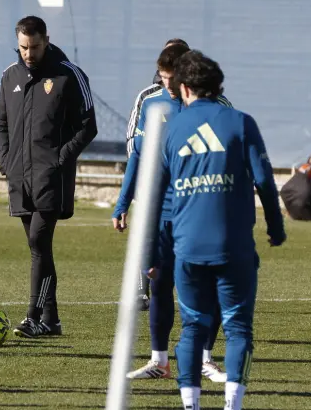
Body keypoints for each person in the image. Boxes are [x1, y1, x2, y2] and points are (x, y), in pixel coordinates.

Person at [150, 51, 285, 410]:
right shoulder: (241, 122)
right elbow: (264, 181)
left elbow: (155, 196)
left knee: (192, 327)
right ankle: (232, 405)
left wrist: (151, 253)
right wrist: (276, 227)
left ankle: (190, 405)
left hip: (187, 247)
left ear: (185, 88)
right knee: (238, 328)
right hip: (234, 247)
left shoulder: (171, 128)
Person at [112, 41, 227, 383]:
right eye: (161, 77)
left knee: (205, 287)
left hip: (200, 213)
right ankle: (159, 361)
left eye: (170, 77)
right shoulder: (152, 102)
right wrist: (123, 202)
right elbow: (138, 155)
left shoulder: (212, 106)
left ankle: (204, 358)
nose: (165, 84)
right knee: (159, 283)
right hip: (159, 214)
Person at [0, 15, 98, 338]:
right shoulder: (9, 76)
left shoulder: (68, 74)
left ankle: (34, 316)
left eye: (34, 47)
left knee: (39, 241)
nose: (28, 53)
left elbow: (88, 126)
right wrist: (6, 161)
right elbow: (0, 122)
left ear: (46, 40)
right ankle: (51, 320)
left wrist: (59, 160)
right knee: (39, 248)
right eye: (23, 47)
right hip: (19, 178)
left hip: (51, 179)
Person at [124, 37, 189, 310]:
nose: (167, 80)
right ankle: (142, 289)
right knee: (147, 233)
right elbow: (134, 142)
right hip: (153, 184)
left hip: (188, 190)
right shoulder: (148, 97)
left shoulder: (203, 99)